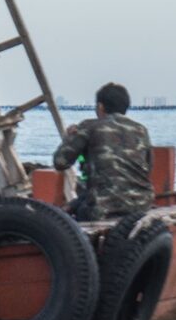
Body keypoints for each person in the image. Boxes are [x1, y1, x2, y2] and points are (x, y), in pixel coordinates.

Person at [51, 83, 154, 221]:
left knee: (73, 211)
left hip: (102, 209)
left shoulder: (89, 126)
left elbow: (60, 162)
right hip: (142, 205)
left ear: (100, 106)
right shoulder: (141, 130)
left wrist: (70, 137)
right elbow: (148, 168)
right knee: (79, 201)